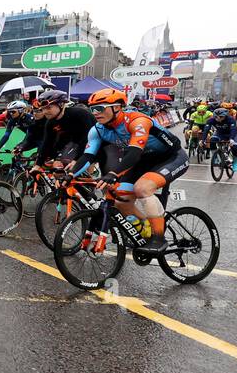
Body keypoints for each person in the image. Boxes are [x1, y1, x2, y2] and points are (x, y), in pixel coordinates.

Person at [69, 88, 186, 253]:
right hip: (143, 160)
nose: (95, 113)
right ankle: (146, 228)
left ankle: (158, 238)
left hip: (170, 157)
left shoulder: (137, 121)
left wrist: (113, 173)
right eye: (92, 109)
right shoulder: (97, 129)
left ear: (117, 107)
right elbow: (88, 155)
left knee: (142, 189)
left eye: (99, 108)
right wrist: (70, 175)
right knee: (120, 197)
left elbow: (134, 152)